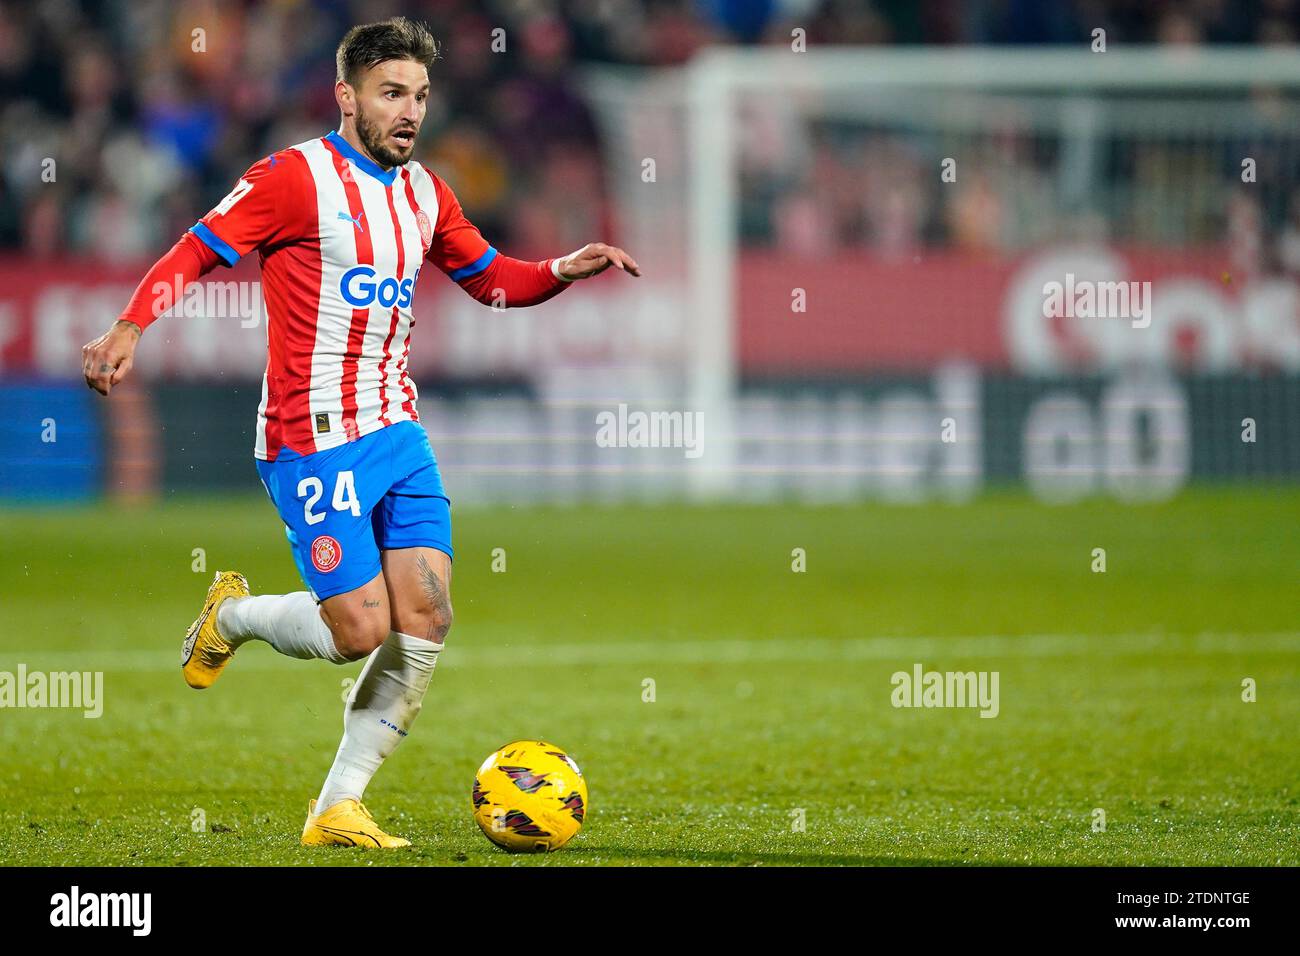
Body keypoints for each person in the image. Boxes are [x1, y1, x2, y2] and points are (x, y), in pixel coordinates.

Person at [79, 16, 639, 849]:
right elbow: (197, 251)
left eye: (418, 95)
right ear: (347, 96)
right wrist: (129, 326)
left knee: (430, 613)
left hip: (395, 426)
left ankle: (338, 804)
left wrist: (559, 269)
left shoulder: (426, 193)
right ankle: (230, 617)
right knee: (359, 632)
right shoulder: (292, 178)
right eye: (391, 94)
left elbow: (490, 281)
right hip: (311, 439)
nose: (409, 111)